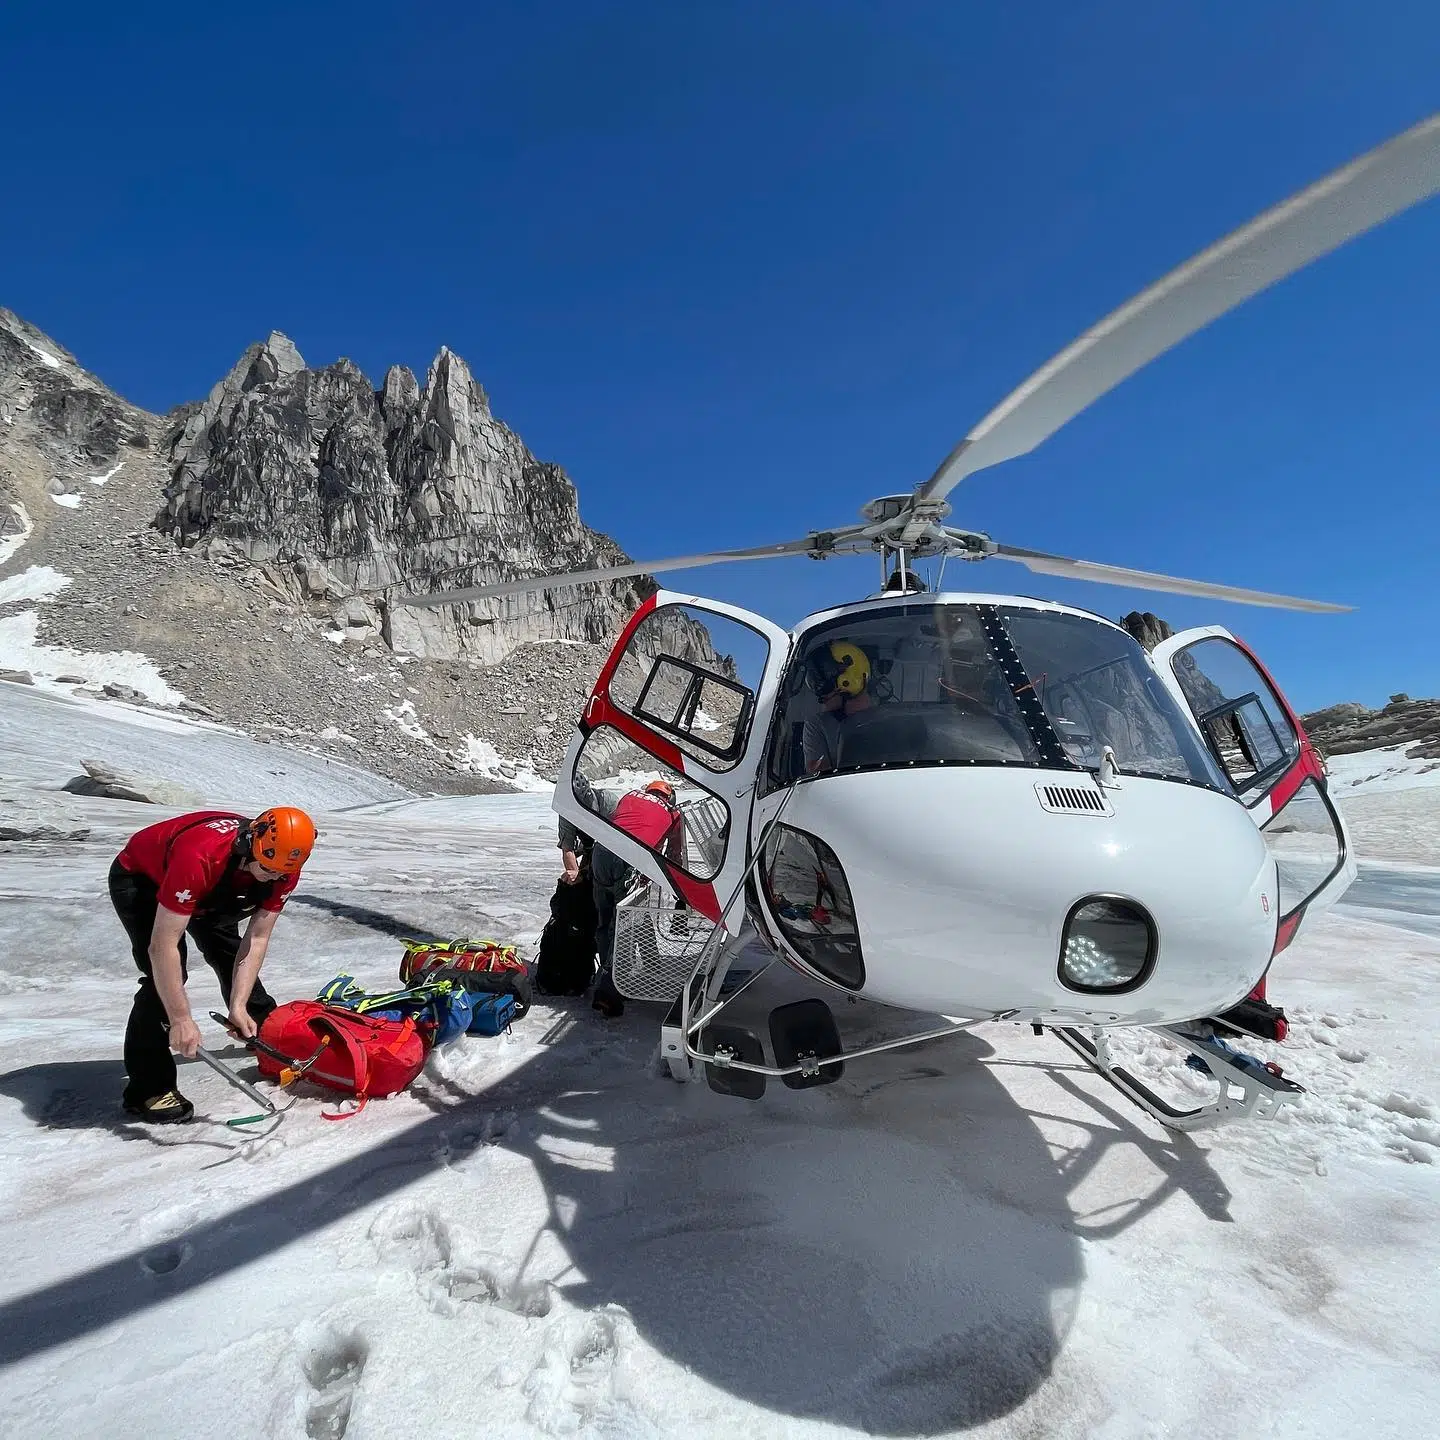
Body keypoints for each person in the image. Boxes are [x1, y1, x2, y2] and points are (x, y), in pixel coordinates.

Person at [109, 806, 317, 1122]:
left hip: (220, 887)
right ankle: (148, 1090)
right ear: (251, 845)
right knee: (163, 980)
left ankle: (265, 1034)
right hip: (144, 880)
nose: (276, 878)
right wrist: (180, 1019)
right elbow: (162, 946)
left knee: (228, 953)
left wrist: (239, 1005)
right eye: (268, 869)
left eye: (281, 874)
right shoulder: (201, 856)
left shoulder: (286, 863)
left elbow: (257, 939)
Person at [590, 778, 686, 1018]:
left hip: (601, 853)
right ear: (669, 797)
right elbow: (674, 855)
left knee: (604, 918)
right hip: (630, 856)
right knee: (623, 926)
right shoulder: (673, 814)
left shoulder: (630, 795)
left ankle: (612, 971)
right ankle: (611, 989)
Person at [801, 638, 874, 774]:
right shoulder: (817, 725)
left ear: (848, 681)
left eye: (826, 686)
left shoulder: (896, 721)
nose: (823, 698)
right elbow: (817, 774)